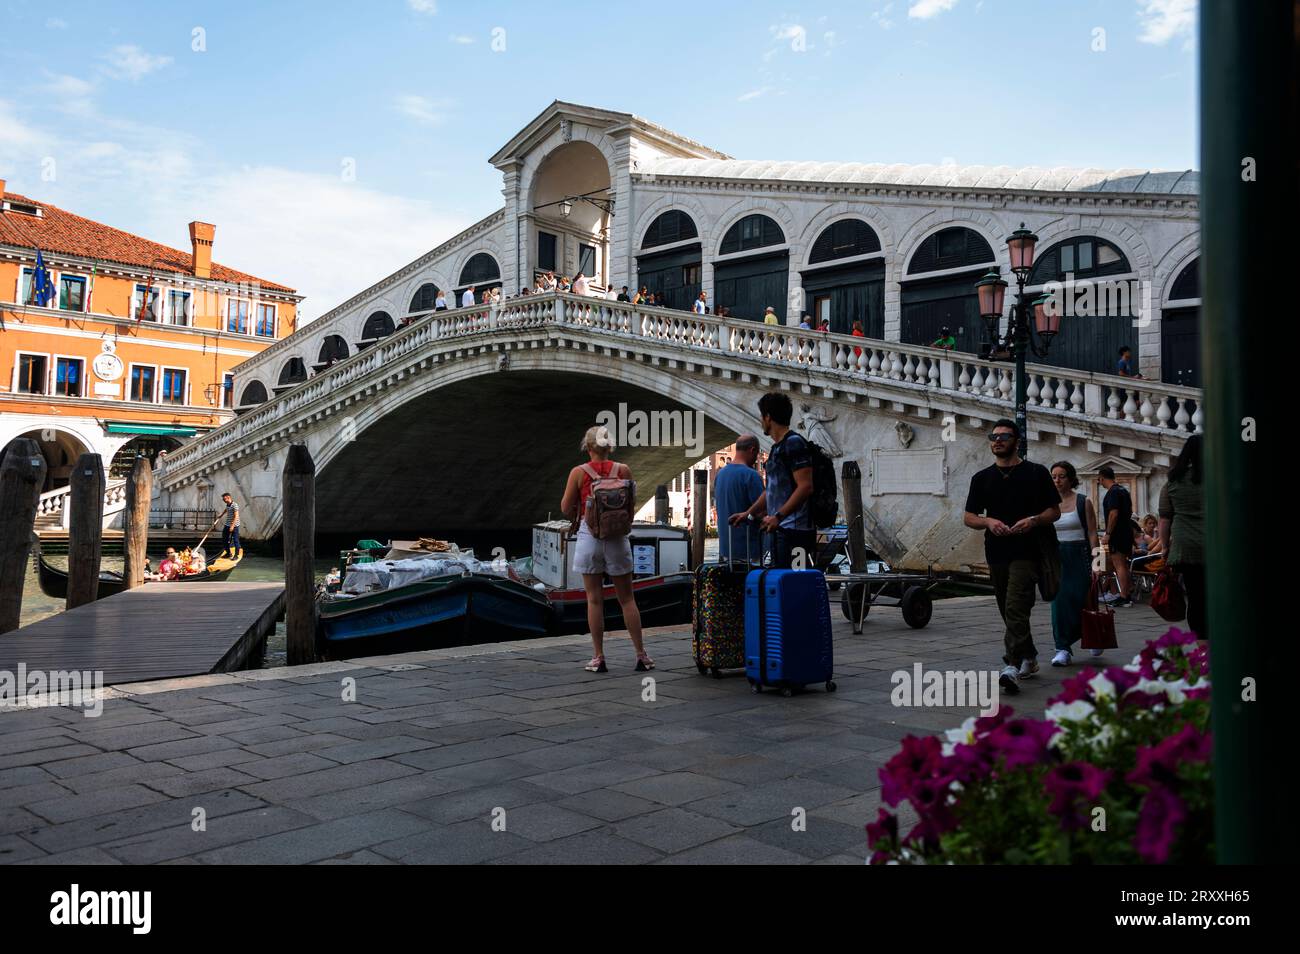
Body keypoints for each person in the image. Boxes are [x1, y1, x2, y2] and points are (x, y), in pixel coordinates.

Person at [963, 419, 1061, 694]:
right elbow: (969, 517)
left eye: (1004, 436)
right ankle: (1029, 654)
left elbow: (1054, 512)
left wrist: (1033, 520)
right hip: (996, 552)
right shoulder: (981, 478)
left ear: (1017, 441)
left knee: (1016, 607)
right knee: (1008, 609)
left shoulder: (1036, 473)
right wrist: (988, 522)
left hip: (1028, 552)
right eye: (993, 436)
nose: (998, 440)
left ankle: (1011, 665)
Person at [560, 425, 653, 674]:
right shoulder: (623, 470)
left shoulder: (578, 473)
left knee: (594, 599)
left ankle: (599, 657)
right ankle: (641, 655)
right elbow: (631, 502)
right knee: (627, 599)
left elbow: (565, 506)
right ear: (609, 446)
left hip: (589, 536)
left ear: (588, 447)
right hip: (618, 538)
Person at [731, 392, 815, 569]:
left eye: (762, 416)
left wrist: (778, 516)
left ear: (768, 417)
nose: (761, 421)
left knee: (795, 583)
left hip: (796, 533)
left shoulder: (794, 444)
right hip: (780, 532)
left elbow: (805, 486)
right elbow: (771, 491)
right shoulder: (777, 448)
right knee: (781, 586)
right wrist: (749, 513)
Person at [1048, 461, 1099, 667]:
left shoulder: (1083, 502)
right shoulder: (1046, 503)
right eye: (1053, 476)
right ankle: (1062, 648)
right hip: (1056, 557)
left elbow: (1093, 533)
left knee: (1083, 601)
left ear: (1071, 479)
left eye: (1061, 476)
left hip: (1080, 555)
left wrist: (1098, 564)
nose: (1057, 480)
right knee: (1058, 603)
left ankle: (1093, 636)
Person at [1159, 434, 1206, 640]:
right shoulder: (1219, 477)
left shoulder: (1172, 482)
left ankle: (1202, 645)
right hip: (1217, 546)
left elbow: (1164, 519)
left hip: (1186, 547)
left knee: (1196, 598)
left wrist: (1164, 547)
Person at [716, 434, 766, 563]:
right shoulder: (751, 476)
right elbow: (762, 511)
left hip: (726, 550)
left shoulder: (720, 475)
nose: (756, 459)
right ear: (752, 450)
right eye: (756, 454)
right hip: (749, 549)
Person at [1099, 466, 1134, 608]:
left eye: (1100, 480)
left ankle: (1124, 596)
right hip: (1126, 532)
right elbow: (1130, 512)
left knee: (1119, 564)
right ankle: (1126, 592)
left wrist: (1107, 533)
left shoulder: (1112, 492)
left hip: (1117, 534)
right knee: (1123, 565)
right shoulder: (1123, 491)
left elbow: (1113, 513)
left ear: (1101, 478)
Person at [219, 492, 241, 558]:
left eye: (224, 499)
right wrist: (221, 515)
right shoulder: (228, 504)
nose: (223, 500)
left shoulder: (235, 505)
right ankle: (228, 553)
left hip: (235, 525)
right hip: (227, 524)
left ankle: (236, 555)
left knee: (236, 540)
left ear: (228, 497)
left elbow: (236, 516)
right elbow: (226, 509)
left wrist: (232, 526)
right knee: (224, 539)